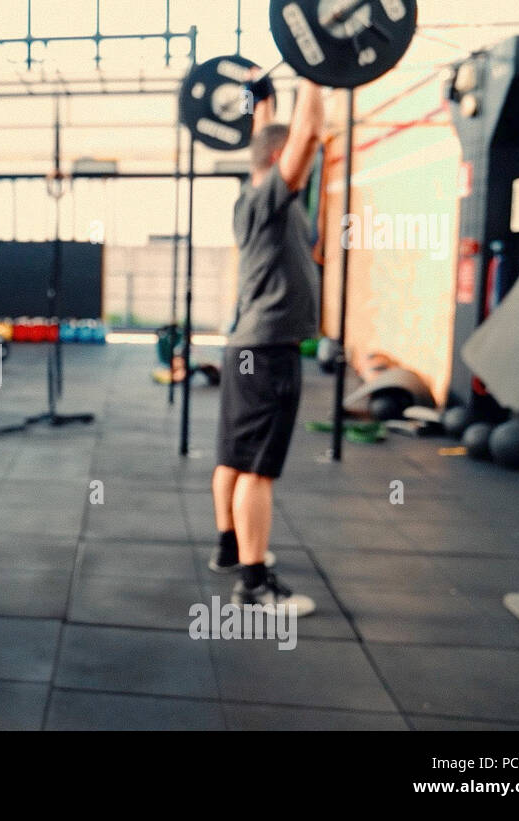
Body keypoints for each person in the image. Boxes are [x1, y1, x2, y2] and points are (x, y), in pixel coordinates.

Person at [208, 71, 323, 615]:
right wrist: (320, 76)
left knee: (234, 456)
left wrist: (263, 101)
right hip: (270, 350)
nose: (310, 162)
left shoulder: (252, 196)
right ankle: (253, 584)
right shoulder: (274, 200)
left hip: (246, 349)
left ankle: (231, 548)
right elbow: (302, 137)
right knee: (258, 468)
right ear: (282, 165)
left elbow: (273, 139)